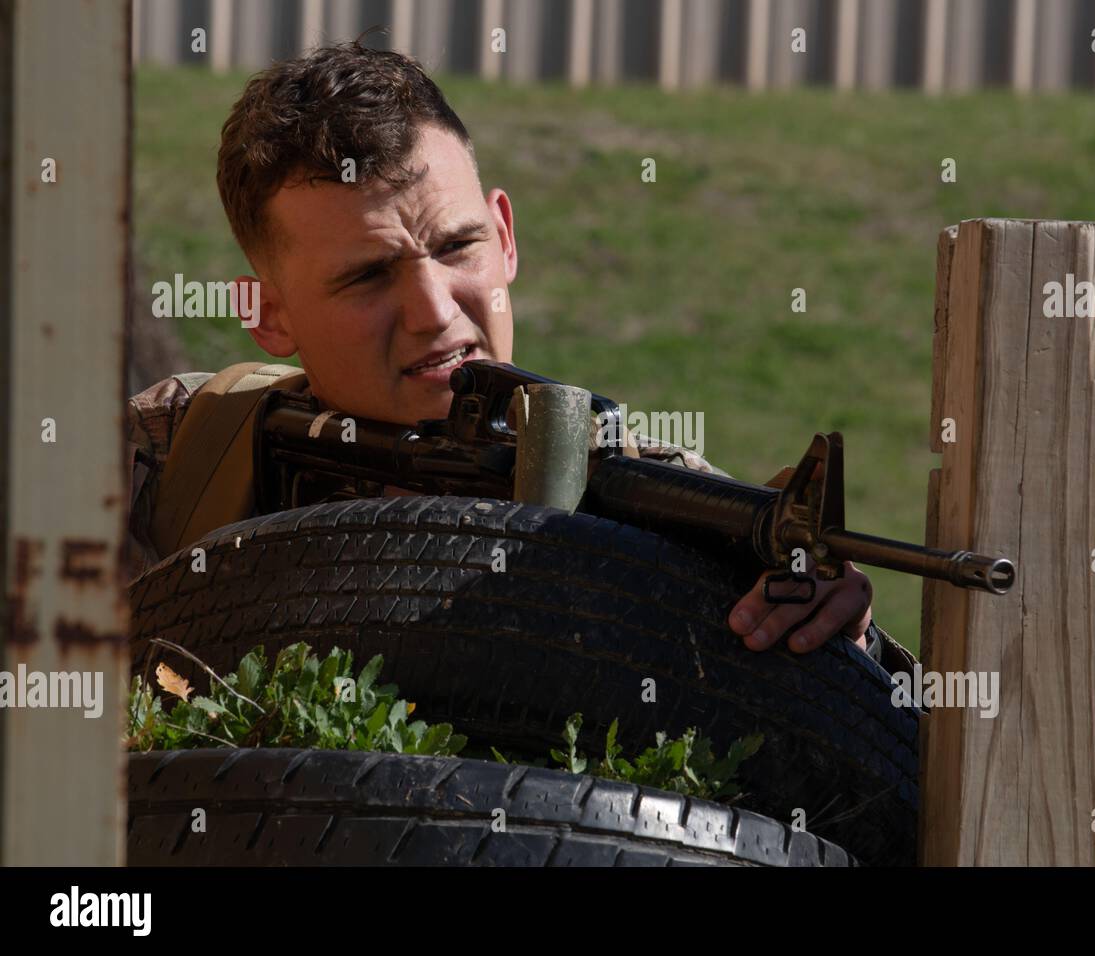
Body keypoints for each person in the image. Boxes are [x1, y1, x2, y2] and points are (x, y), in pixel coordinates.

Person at [127, 40, 885, 660]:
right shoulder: (174, 452)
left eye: (459, 247)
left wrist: (837, 627)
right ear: (267, 314)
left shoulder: (657, 494)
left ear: (507, 235)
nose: (434, 313)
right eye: (365, 278)